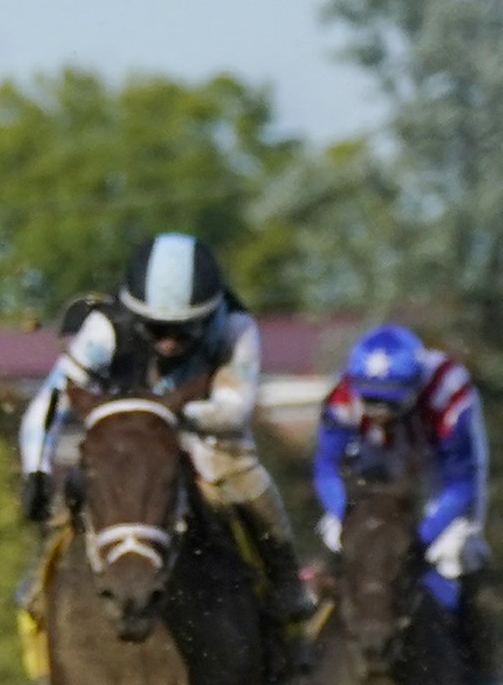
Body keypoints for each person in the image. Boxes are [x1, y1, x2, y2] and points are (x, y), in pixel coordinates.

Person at [16, 232, 312, 627]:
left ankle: (285, 582)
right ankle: (40, 586)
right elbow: (51, 397)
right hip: (121, 436)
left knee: (246, 482)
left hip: (203, 432)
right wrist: (35, 467)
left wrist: (171, 414)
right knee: (71, 492)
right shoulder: (104, 327)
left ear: (208, 316)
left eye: (185, 330)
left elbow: (234, 411)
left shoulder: (236, 327)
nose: (169, 343)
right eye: (156, 329)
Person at [316, 322, 502, 685]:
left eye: (390, 402)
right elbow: (326, 467)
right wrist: (343, 515)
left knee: (458, 556)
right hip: (377, 462)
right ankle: (307, 665)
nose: (379, 412)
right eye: (372, 401)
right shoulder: (342, 396)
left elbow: (461, 482)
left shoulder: (449, 395)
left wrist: (420, 538)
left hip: (440, 470)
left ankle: (481, 675)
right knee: (342, 545)